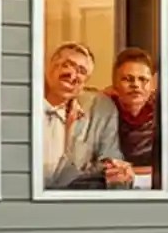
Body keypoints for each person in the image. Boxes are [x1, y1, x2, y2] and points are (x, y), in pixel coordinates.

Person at [41, 42, 134, 190]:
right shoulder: (28, 107)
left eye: (81, 71)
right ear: (50, 68)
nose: (73, 75)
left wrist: (115, 170)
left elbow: (109, 160)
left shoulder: (95, 111)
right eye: (67, 65)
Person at [104, 47, 158, 170]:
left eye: (143, 79)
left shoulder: (162, 112)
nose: (136, 85)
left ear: (153, 85)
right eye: (127, 79)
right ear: (115, 84)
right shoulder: (103, 112)